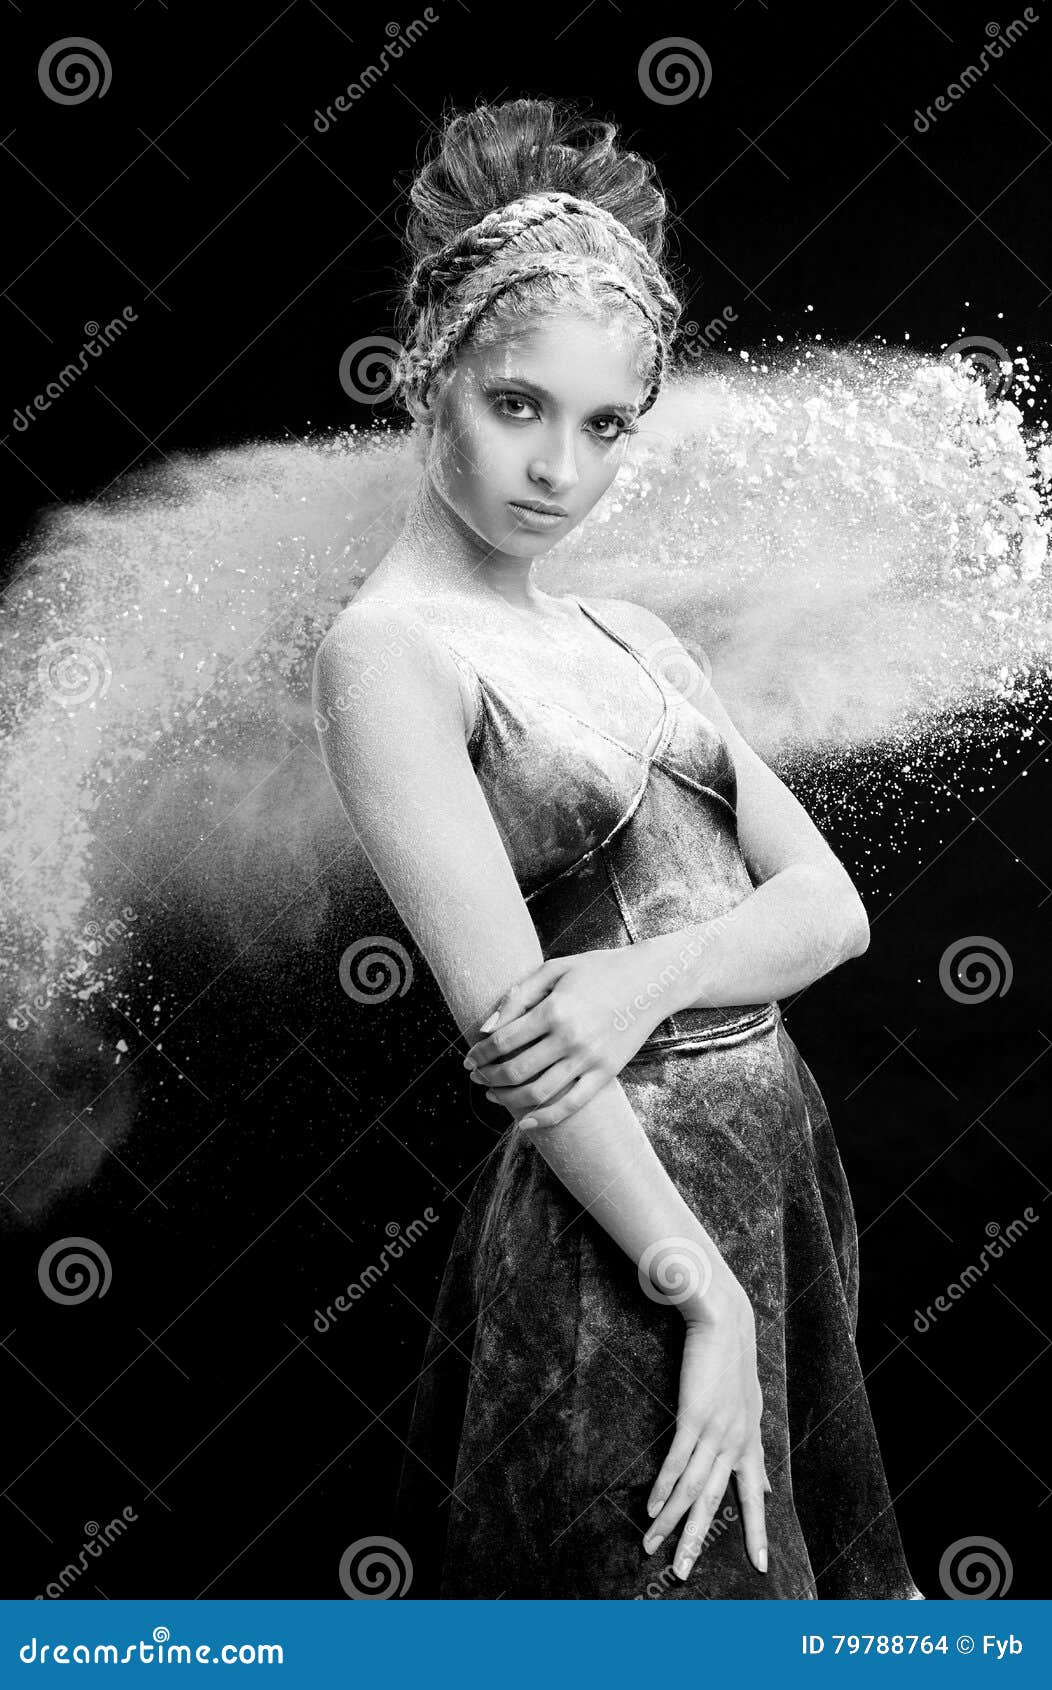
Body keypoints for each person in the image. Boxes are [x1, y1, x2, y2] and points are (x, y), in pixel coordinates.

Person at [313, 96, 924, 1600]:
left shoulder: (633, 635)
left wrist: (645, 981)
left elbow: (830, 910)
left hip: (776, 1179)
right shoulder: (387, 652)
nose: (559, 470)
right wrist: (698, 1289)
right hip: (623, 1221)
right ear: (422, 375)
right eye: (517, 404)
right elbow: (526, 1035)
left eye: (605, 425)